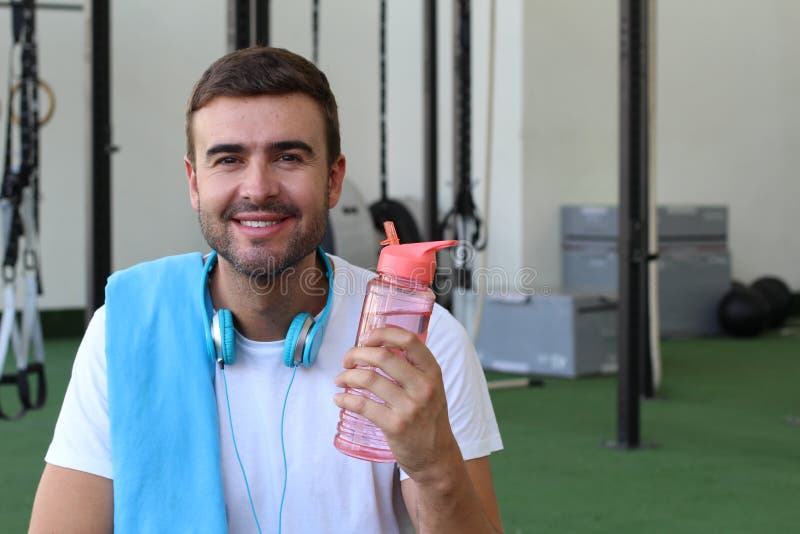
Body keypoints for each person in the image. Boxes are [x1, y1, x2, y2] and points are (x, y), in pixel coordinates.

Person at [29, 46, 503, 534]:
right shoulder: (127, 330)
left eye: (288, 157)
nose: (258, 188)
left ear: (333, 180)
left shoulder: (418, 341)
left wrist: (435, 468)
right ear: (194, 183)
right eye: (229, 159)